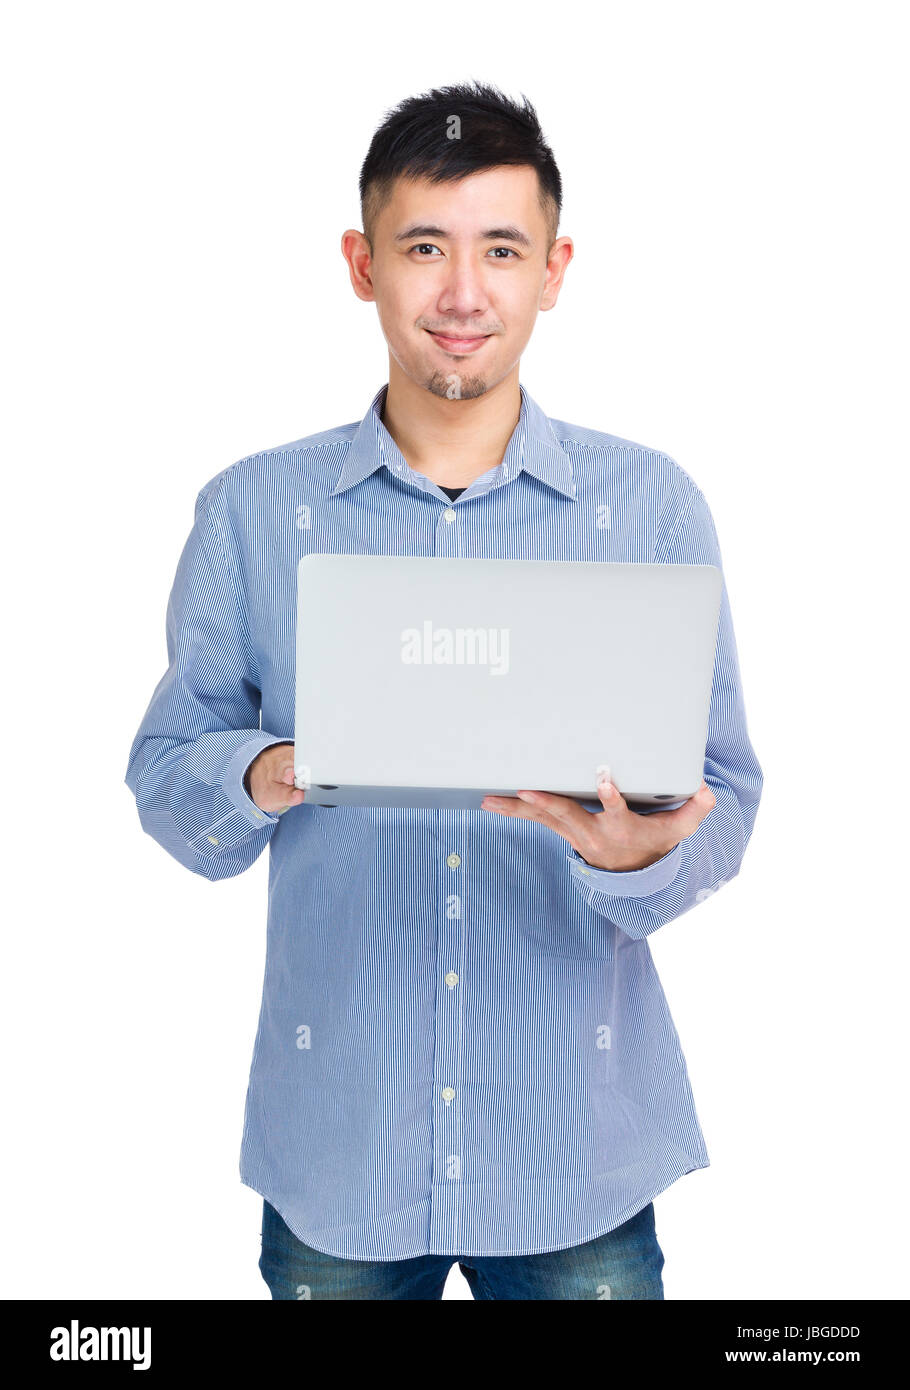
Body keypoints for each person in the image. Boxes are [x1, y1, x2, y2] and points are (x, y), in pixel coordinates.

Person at [124, 81, 763, 1301]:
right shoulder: (254, 512)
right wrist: (262, 774)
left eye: (500, 251)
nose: (462, 294)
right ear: (363, 265)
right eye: (424, 247)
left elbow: (723, 791)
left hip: (575, 1149)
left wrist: (639, 857)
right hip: (340, 1150)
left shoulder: (651, 508)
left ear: (553, 269)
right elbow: (168, 784)